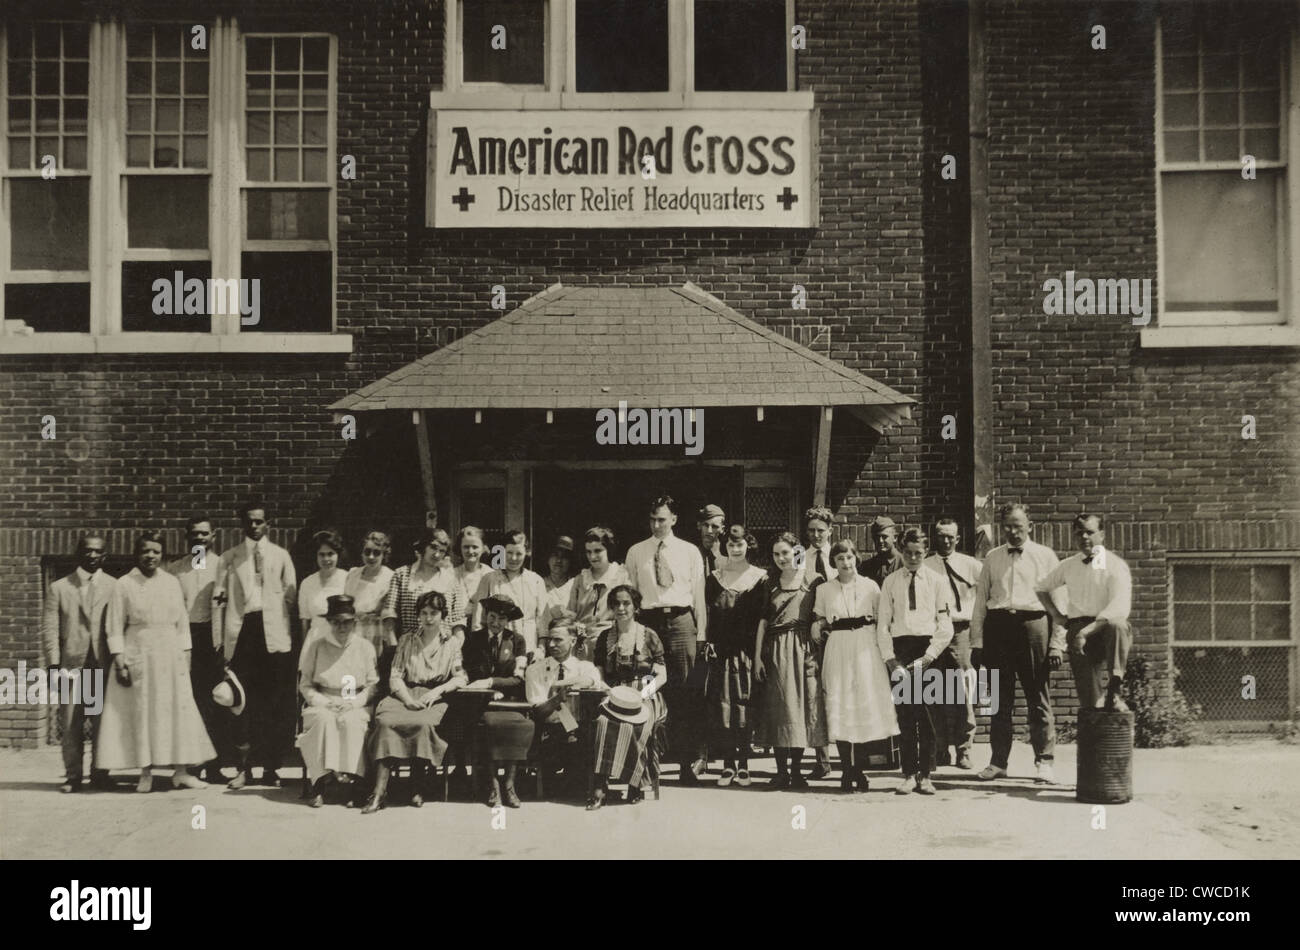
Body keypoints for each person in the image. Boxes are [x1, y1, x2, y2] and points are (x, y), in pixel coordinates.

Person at [95, 531, 215, 792]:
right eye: (145, 551)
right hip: (138, 652)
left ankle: (181, 772)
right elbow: (113, 626)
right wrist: (120, 660)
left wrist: (186, 657)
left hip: (171, 655)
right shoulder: (124, 584)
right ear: (137, 554)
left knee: (176, 712)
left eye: (156, 551)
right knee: (143, 711)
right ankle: (145, 771)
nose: (150, 556)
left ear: (162, 555)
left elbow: (182, 623)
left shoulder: (171, 582)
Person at [971, 503, 1068, 784]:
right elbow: (980, 604)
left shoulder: (1046, 557)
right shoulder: (992, 557)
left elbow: (1060, 605)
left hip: (1034, 627)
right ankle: (998, 762)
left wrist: (1056, 645)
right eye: (1007, 526)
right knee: (999, 701)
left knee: (1037, 697)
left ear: (1030, 527)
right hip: (999, 629)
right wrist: (977, 641)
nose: (1013, 531)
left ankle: (1045, 762)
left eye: (1018, 525)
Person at [213, 500, 298, 790]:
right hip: (243, 633)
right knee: (241, 704)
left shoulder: (282, 556)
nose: (254, 526)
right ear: (243, 524)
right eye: (249, 521)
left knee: (274, 704)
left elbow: (291, 600)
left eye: (260, 521)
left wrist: (290, 640)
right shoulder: (229, 558)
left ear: (268, 524)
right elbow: (219, 603)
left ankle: (272, 768)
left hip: (274, 635)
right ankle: (244, 768)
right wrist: (219, 643)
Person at [625, 494, 708, 785]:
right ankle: (646, 768)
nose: (657, 524)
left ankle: (687, 765)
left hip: (682, 622)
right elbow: (632, 595)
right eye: (652, 519)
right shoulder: (637, 552)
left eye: (662, 519)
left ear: (674, 519)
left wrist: (701, 634)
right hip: (649, 623)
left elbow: (699, 597)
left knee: (685, 693)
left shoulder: (689, 552)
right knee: (647, 691)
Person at [364, 590, 467, 812]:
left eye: (434, 613)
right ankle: (379, 792)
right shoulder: (406, 640)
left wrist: (437, 692)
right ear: (418, 615)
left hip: (433, 697)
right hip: (403, 694)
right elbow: (395, 676)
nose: (429, 618)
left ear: (443, 615)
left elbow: (461, 677)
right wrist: (408, 699)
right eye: (424, 613)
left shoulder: (452, 644)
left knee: (423, 723)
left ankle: (417, 787)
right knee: (385, 723)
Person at [812, 539, 898, 792]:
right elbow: (819, 618)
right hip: (838, 646)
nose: (845, 563)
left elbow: (883, 620)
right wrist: (816, 625)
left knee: (861, 707)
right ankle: (846, 771)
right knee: (841, 705)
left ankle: (859, 769)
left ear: (856, 558)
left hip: (865, 646)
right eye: (840, 559)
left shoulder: (871, 586)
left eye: (849, 557)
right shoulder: (825, 589)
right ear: (834, 562)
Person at [878, 528, 954, 796]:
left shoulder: (936, 581)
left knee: (930, 716)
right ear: (901, 549)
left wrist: (929, 657)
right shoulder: (891, 582)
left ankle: (926, 775)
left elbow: (946, 625)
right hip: (902, 651)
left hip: (929, 652)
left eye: (918, 553)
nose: (912, 557)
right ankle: (909, 774)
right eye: (908, 552)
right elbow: (883, 625)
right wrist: (890, 659)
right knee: (906, 715)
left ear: (926, 551)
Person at [1035, 513, 1133, 712]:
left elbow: (1119, 607)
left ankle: (1114, 688)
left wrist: (1085, 633)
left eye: (1090, 532)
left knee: (1119, 625)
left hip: (1105, 627)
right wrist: (1056, 615)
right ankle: (1096, 718)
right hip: (1078, 626)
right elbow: (1041, 587)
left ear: (1102, 535)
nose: (1084, 537)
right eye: (1080, 533)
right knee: (1090, 703)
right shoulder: (1069, 565)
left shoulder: (1115, 565)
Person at [42, 533, 113, 792]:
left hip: (103, 665)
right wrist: (53, 665)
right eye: (87, 551)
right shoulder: (59, 588)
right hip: (72, 667)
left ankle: (100, 773)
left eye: (98, 551)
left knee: (102, 723)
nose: (92, 555)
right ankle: (73, 776)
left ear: (104, 555)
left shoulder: (114, 586)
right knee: (72, 723)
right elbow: (50, 629)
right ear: (78, 553)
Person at [754, 531, 826, 788]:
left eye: (785, 552)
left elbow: (821, 615)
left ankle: (797, 771)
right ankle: (781, 771)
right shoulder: (769, 582)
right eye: (776, 554)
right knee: (778, 709)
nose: (781, 558)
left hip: (804, 648)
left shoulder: (814, 580)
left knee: (802, 709)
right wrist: (757, 658)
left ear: (797, 551)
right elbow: (762, 622)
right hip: (775, 651)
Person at [587, 585, 668, 809]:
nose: (621, 608)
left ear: (635, 607)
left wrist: (643, 695)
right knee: (603, 722)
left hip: (646, 692)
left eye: (626, 604)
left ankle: (635, 784)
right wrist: (604, 688)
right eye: (616, 604)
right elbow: (599, 671)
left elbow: (662, 675)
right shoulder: (605, 637)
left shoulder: (648, 635)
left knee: (638, 725)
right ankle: (600, 787)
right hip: (615, 693)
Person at [297, 595, 379, 808]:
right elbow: (305, 684)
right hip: (323, 701)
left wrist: (353, 703)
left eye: (346, 621)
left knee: (352, 722)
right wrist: (323, 702)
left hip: (354, 701)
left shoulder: (365, 647)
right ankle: (319, 783)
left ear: (354, 622)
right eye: (336, 622)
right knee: (323, 720)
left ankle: (355, 784)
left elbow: (373, 685)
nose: (341, 627)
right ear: (329, 622)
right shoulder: (316, 647)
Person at [704, 524, 767, 787]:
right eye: (731, 544)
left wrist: (758, 654)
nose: (735, 548)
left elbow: (763, 619)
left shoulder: (759, 577)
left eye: (739, 544)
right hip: (722, 652)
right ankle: (728, 765)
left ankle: (744, 765)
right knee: (724, 708)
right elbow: (708, 614)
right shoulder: (714, 577)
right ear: (725, 546)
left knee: (745, 705)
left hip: (746, 653)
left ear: (747, 545)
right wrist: (709, 641)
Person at [167, 517, 226, 784]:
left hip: (212, 638)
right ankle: (190, 764)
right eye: (194, 534)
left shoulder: (223, 566)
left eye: (204, 534)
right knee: (187, 702)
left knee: (215, 702)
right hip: (184, 638)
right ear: (186, 537)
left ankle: (214, 764)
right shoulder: (175, 569)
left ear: (214, 535)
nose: (199, 539)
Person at [461, 594, 533, 808]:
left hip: (509, 701)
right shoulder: (473, 639)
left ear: (507, 620)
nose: (495, 623)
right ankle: (493, 785)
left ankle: (509, 784)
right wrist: (485, 688)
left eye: (501, 619)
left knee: (519, 726)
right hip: (481, 701)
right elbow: (470, 673)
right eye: (492, 617)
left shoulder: (517, 641)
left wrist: (493, 682)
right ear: (485, 615)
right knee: (489, 727)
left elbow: (518, 678)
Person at [925, 518, 982, 769]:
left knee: (963, 690)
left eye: (950, 536)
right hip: (934, 631)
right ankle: (939, 748)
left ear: (958, 538)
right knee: (934, 691)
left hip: (961, 631)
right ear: (934, 537)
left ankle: (964, 749)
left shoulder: (971, 565)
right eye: (940, 536)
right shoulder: (925, 565)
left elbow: (985, 596)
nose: (945, 541)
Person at [525, 619, 603, 789]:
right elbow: (538, 711)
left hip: (578, 730)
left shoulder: (584, 666)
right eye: (549, 640)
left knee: (584, 744)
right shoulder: (535, 670)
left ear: (573, 641)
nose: (551, 644)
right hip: (547, 731)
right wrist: (557, 699)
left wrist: (560, 684)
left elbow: (593, 680)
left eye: (558, 640)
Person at [469, 530, 549, 657]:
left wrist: (541, 649)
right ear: (502, 551)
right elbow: (478, 621)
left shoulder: (536, 580)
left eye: (519, 553)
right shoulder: (489, 579)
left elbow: (542, 622)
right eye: (509, 553)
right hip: (496, 650)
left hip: (529, 649)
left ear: (527, 553)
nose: (513, 558)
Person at [800, 505, 837, 780]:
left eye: (821, 531)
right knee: (813, 694)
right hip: (808, 634)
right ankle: (821, 760)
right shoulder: (799, 558)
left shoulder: (840, 557)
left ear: (830, 531)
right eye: (811, 530)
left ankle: (850, 760)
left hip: (838, 633)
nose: (816, 535)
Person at [383, 530, 464, 648]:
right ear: (423, 546)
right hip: (409, 649)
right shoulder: (402, 574)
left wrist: (454, 649)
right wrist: (395, 647)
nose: (437, 554)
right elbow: (390, 614)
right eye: (433, 547)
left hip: (442, 649)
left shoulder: (450, 579)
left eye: (442, 551)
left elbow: (458, 621)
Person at [566, 526, 629, 662]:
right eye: (588, 552)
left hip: (612, 643)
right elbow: (571, 614)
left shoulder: (621, 576)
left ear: (608, 550)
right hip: (583, 645)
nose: (592, 556)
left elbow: (628, 614)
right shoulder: (580, 579)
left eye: (597, 551)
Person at [346, 530, 396, 688]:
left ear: (384, 554)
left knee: (372, 677)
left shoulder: (391, 577)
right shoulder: (353, 573)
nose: (371, 557)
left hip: (376, 634)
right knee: (350, 673)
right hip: (352, 632)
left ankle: (370, 710)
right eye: (367, 552)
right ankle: (347, 705)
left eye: (377, 552)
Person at [297, 529, 347, 648]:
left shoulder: (348, 579)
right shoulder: (307, 583)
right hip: (315, 641)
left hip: (341, 642)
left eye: (330, 554)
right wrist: (307, 650)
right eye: (322, 554)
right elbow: (305, 621)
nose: (326, 559)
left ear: (338, 555)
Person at [450, 526, 491, 630]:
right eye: (466, 547)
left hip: (484, 631)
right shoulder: (451, 575)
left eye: (475, 547)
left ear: (483, 548)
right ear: (460, 548)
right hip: (457, 631)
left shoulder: (490, 575)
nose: (470, 551)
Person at [859, 515, 904, 587]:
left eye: (884, 537)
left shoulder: (905, 564)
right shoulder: (867, 567)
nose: (880, 541)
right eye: (876, 537)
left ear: (895, 538)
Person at [542, 535, 577, 622]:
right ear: (548, 559)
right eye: (555, 555)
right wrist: (550, 614)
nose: (559, 560)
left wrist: (569, 615)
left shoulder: (576, 584)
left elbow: (584, 619)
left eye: (564, 557)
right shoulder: (538, 584)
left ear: (570, 561)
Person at [696, 503, 726, 573]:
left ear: (722, 529)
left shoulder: (728, 556)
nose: (709, 531)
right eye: (706, 525)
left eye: (714, 527)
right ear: (699, 525)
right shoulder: (693, 554)